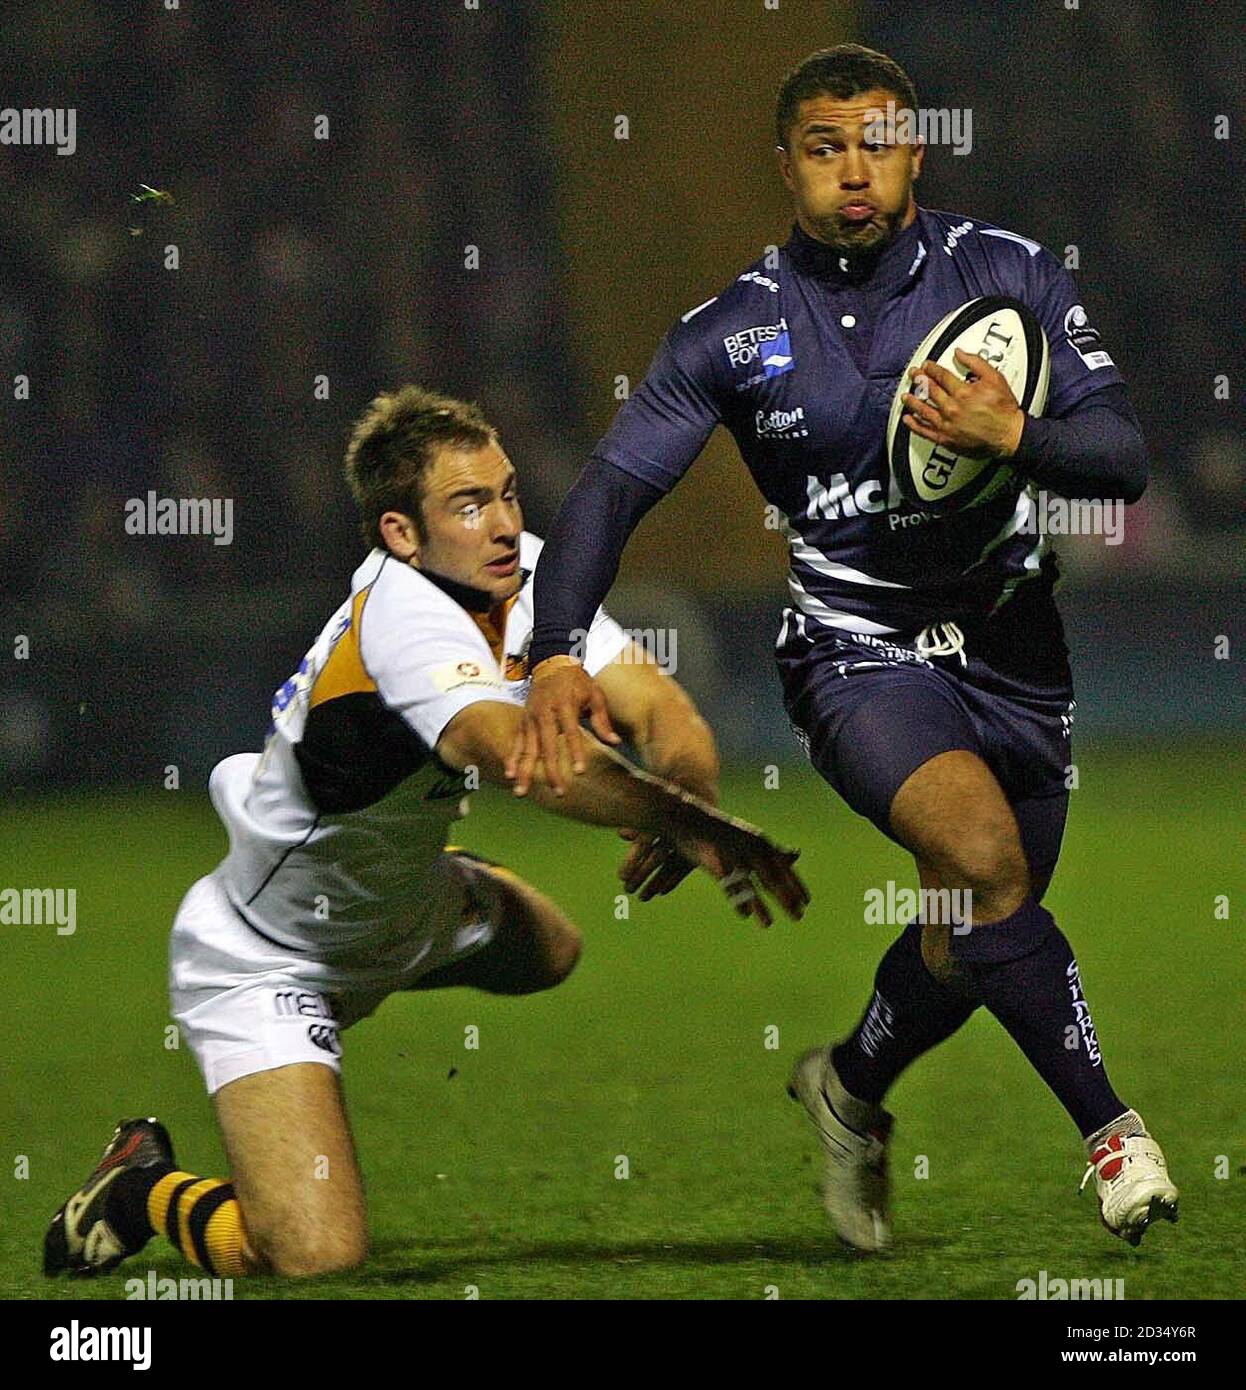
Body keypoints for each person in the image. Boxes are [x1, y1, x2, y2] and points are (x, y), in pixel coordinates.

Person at [507, 45, 1178, 1251]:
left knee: (972, 935)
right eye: (824, 149)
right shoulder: (731, 331)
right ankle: (1112, 1136)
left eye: (877, 143)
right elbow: (610, 490)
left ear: (916, 150)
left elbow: (1121, 456)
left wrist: (1014, 434)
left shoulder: (1010, 273)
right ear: (787, 167)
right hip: (855, 650)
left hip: (1015, 643)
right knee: (984, 866)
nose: (853, 172)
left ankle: (848, 1088)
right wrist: (554, 647)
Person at [43, 385, 807, 1280]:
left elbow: (660, 707)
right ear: (402, 533)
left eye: (507, 493)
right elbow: (526, 759)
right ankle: (138, 1184)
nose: (503, 523)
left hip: (404, 902)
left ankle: (433, 880)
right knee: (310, 1254)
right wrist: (695, 826)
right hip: (275, 955)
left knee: (554, 952)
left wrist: (689, 797)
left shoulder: (523, 570)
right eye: (469, 505)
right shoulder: (399, 620)